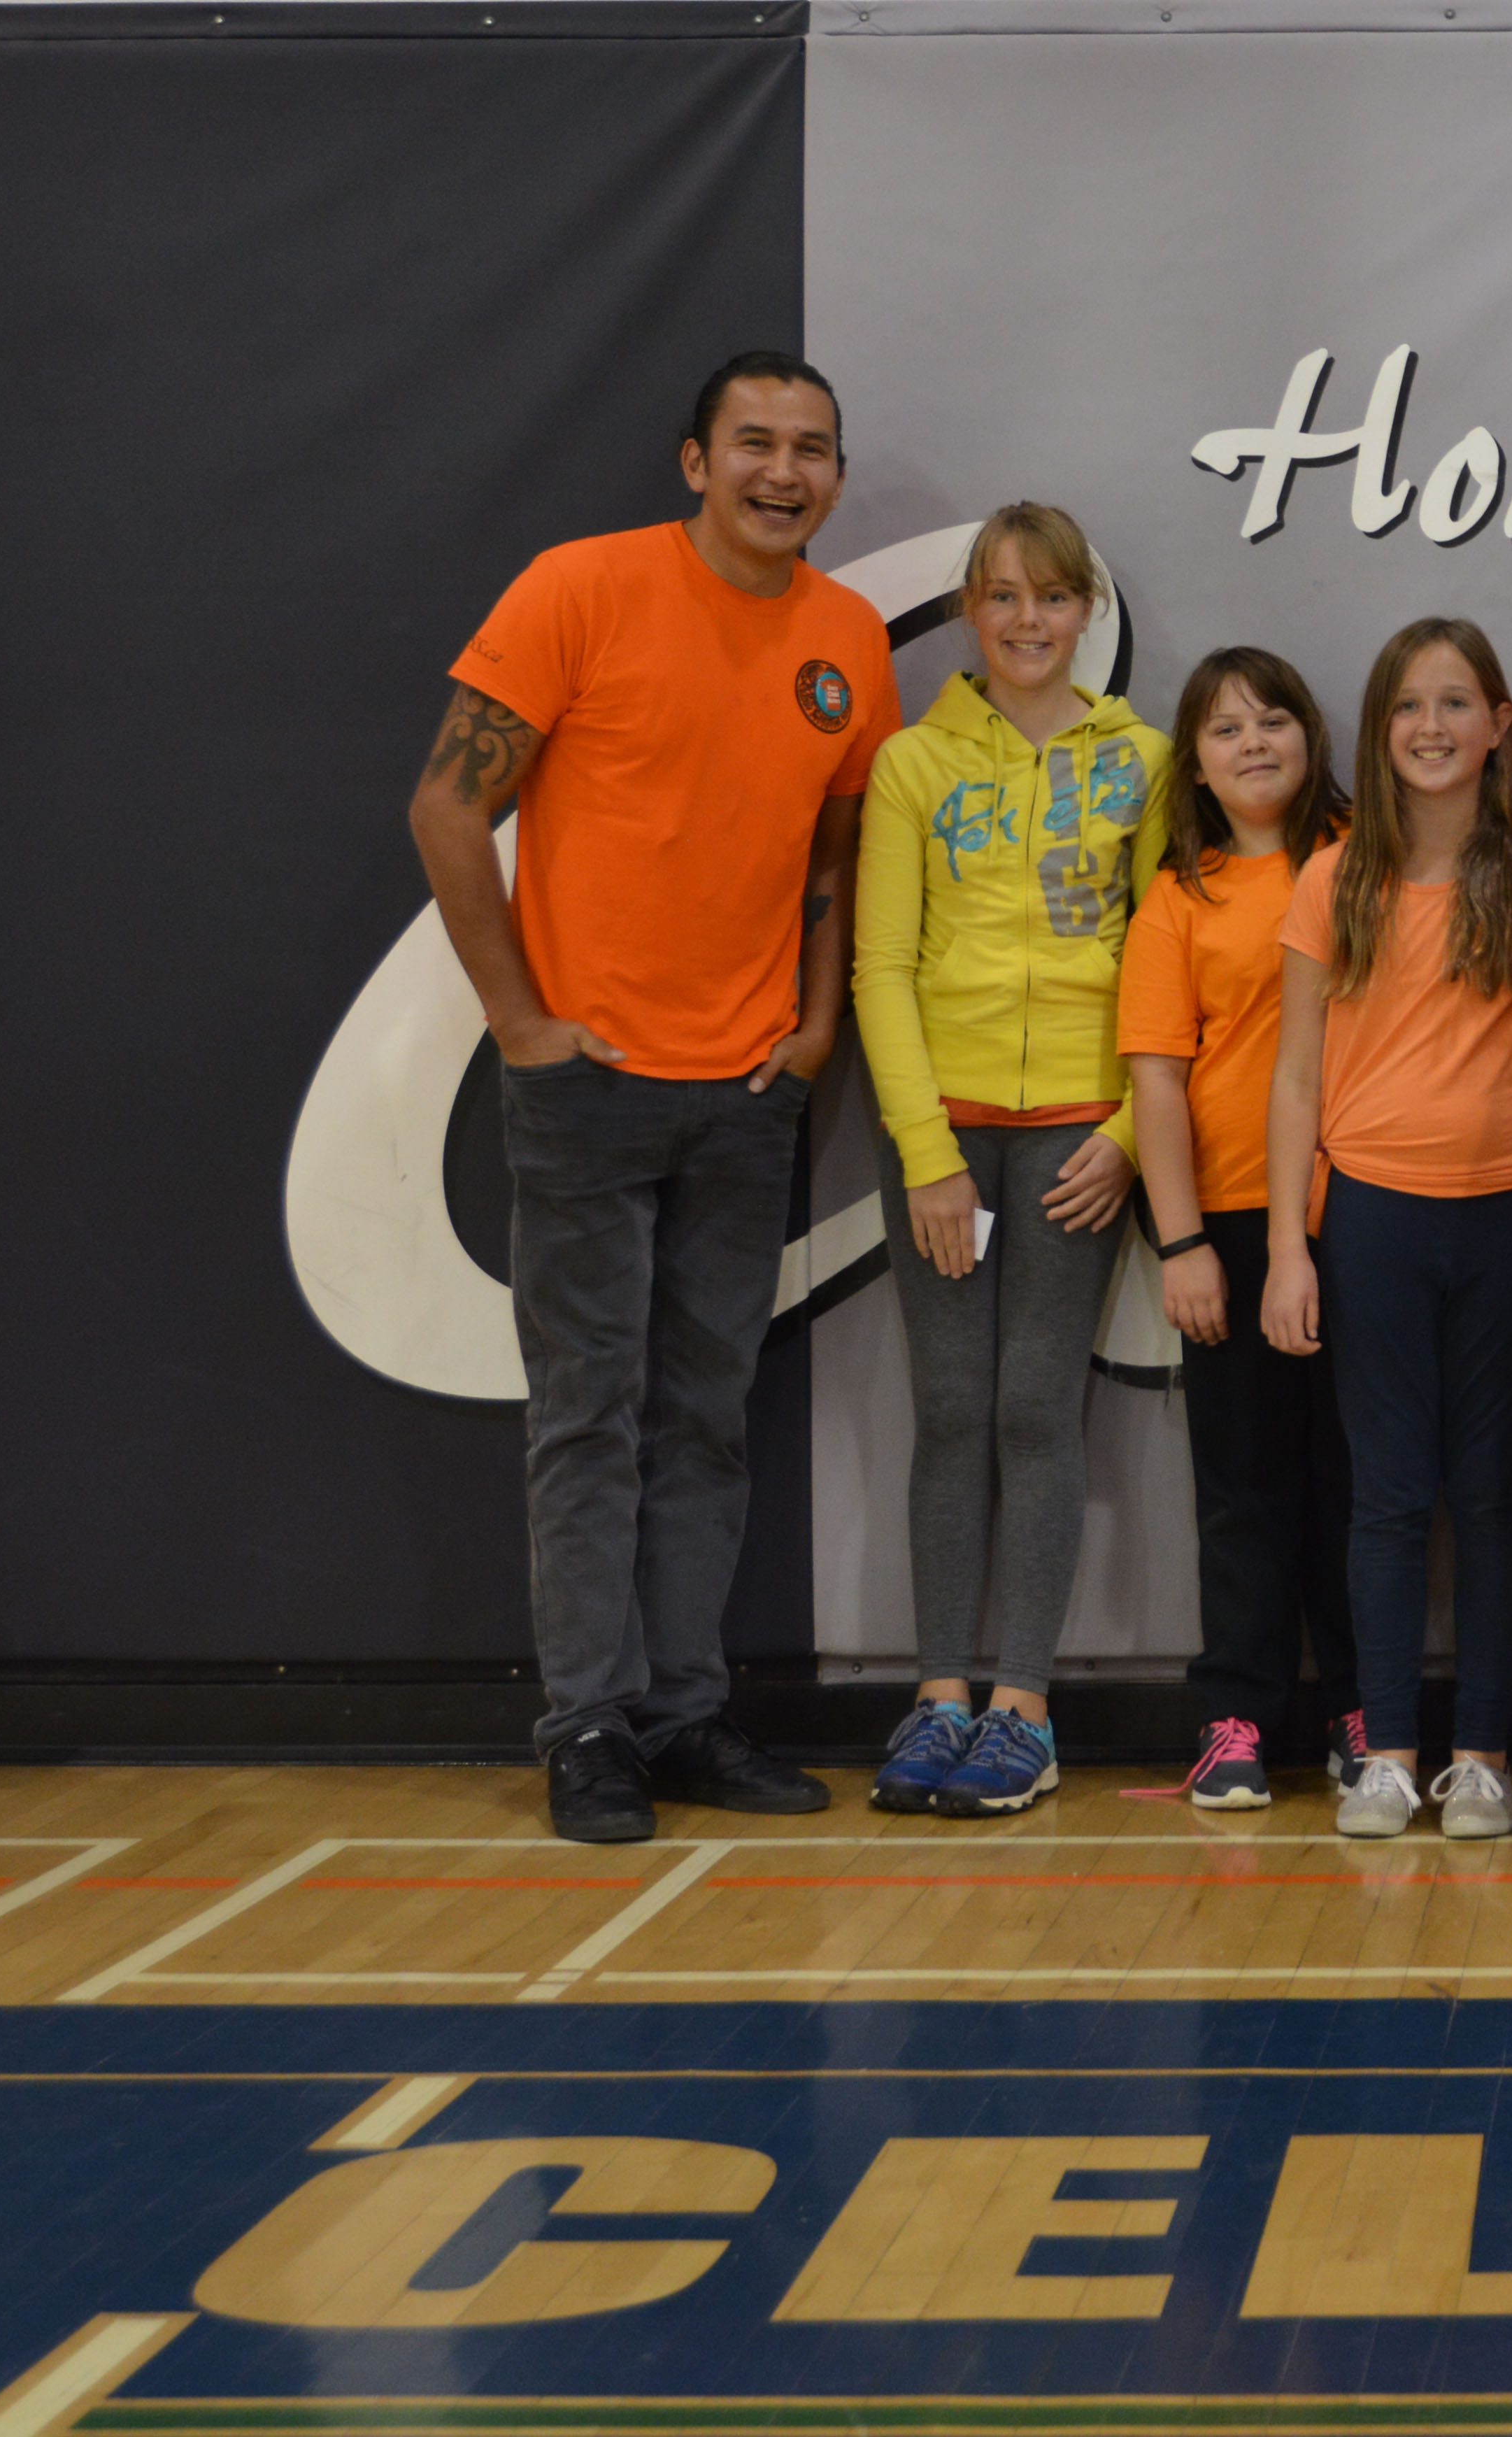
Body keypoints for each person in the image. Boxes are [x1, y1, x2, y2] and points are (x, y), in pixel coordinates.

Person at [408, 349, 898, 1844]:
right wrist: (522, 1022)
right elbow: (446, 802)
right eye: (753, 442)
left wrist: (814, 1028)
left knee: (706, 1419)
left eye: (811, 448)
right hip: (588, 1092)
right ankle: (588, 1729)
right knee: (588, 1419)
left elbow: (835, 855)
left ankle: (686, 1715)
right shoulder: (578, 588)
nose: (783, 470)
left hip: (749, 1094)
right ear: (695, 461)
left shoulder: (849, 638)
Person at [847, 504, 1162, 1817]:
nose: (1027, 621)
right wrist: (928, 1154)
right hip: (944, 1136)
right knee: (951, 1415)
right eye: (1002, 598)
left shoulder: (1143, 758)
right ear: (969, 612)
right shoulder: (915, 764)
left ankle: (1022, 1706)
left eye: (1052, 597)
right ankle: (937, 1697)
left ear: (1087, 609)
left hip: (1080, 1139)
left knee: (1038, 1412)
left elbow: (1171, 968)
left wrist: (1131, 1138)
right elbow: (882, 967)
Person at [1263, 618, 1512, 1840]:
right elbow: (1295, 1076)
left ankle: (1484, 1758)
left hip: (1510, 1214)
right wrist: (1291, 1247)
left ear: (1501, 726)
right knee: (1390, 1496)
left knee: (1492, 1493)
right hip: (1373, 1222)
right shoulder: (1332, 880)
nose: (1434, 727)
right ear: (1380, 729)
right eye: (1410, 706)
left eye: (1459, 704)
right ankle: (1390, 1752)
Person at [1121, 647, 1367, 1808]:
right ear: (1198, 767)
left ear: (1314, 737)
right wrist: (1181, 1246)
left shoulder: (1366, 865)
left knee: (1364, 1482)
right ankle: (1238, 1717)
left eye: (1276, 718)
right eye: (1226, 730)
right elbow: (1158, 1081)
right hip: (1227, 1214)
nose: (1255, 742)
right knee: (1244, 1484)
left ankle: (1365, 1710)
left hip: (1366, 1211)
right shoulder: (1180, 896)